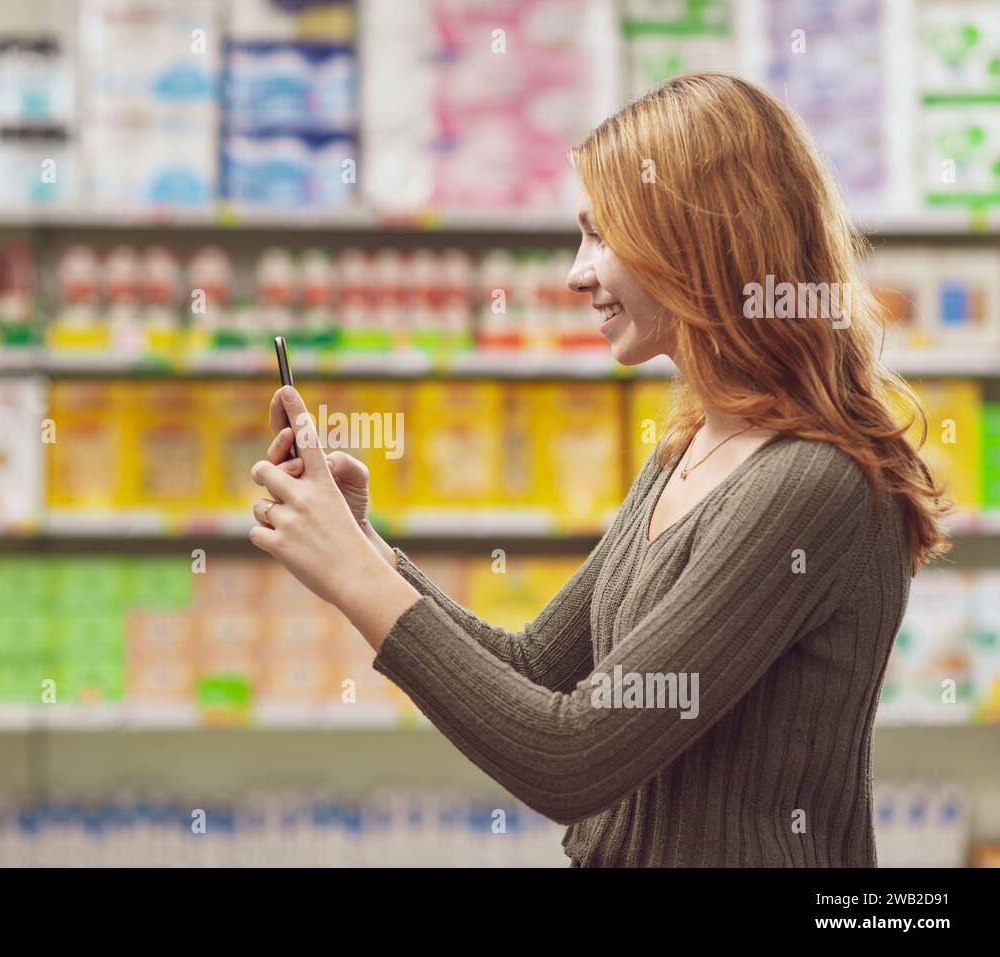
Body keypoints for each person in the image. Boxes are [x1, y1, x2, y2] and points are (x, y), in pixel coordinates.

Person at [246, 72, 948, 867]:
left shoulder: (813, 484)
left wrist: (350, 575)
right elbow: (533, 669)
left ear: (698, 241)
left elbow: (573, 758)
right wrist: (361, 542)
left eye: (601, 236)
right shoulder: (688, 451)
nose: (577, 274)